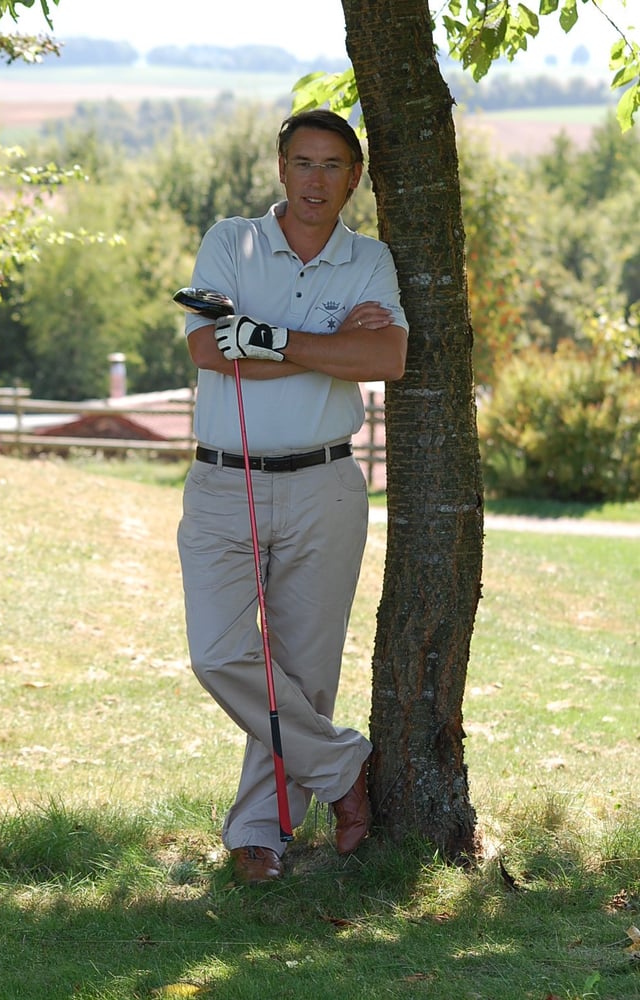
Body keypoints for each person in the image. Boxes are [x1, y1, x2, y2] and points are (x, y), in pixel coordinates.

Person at [177, 109, 408, 884]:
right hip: (222, 479)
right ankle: (344, 768)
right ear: (281, 167)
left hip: (326, 484)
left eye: (333, 165)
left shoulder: (370, 259)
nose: (316, 180)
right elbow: (210, 348)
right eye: (303, 163)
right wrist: (329, 346)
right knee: (219, 653)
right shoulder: (231, 240)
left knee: (302, 673)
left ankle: (260, 833)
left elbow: (387, 357)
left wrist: (268, 338)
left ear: (355, 177)